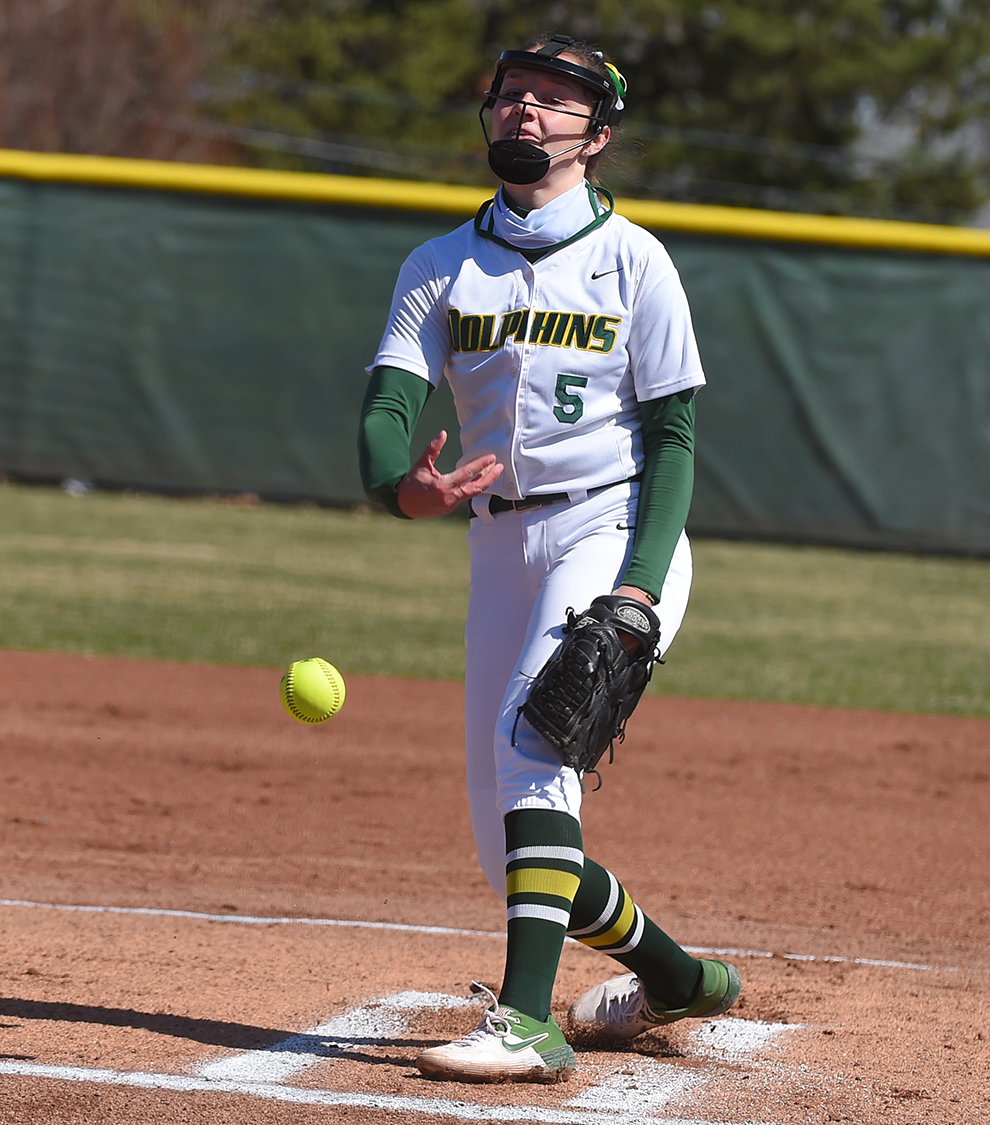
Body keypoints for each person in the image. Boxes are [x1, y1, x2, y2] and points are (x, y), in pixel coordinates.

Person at [357, 33, 740, 1084]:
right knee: (509, 850)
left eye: (552, 100)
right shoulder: (439, 266)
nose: (524, 109)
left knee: (535, 748)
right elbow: (388, 406)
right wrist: (403, 486)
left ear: (596, 136)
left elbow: (672, 442)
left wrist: (637, 583)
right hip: (501, 546)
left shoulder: (635, 260)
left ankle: (526, 1023)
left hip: (609, 529)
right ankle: (676, 978)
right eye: (511, 93)